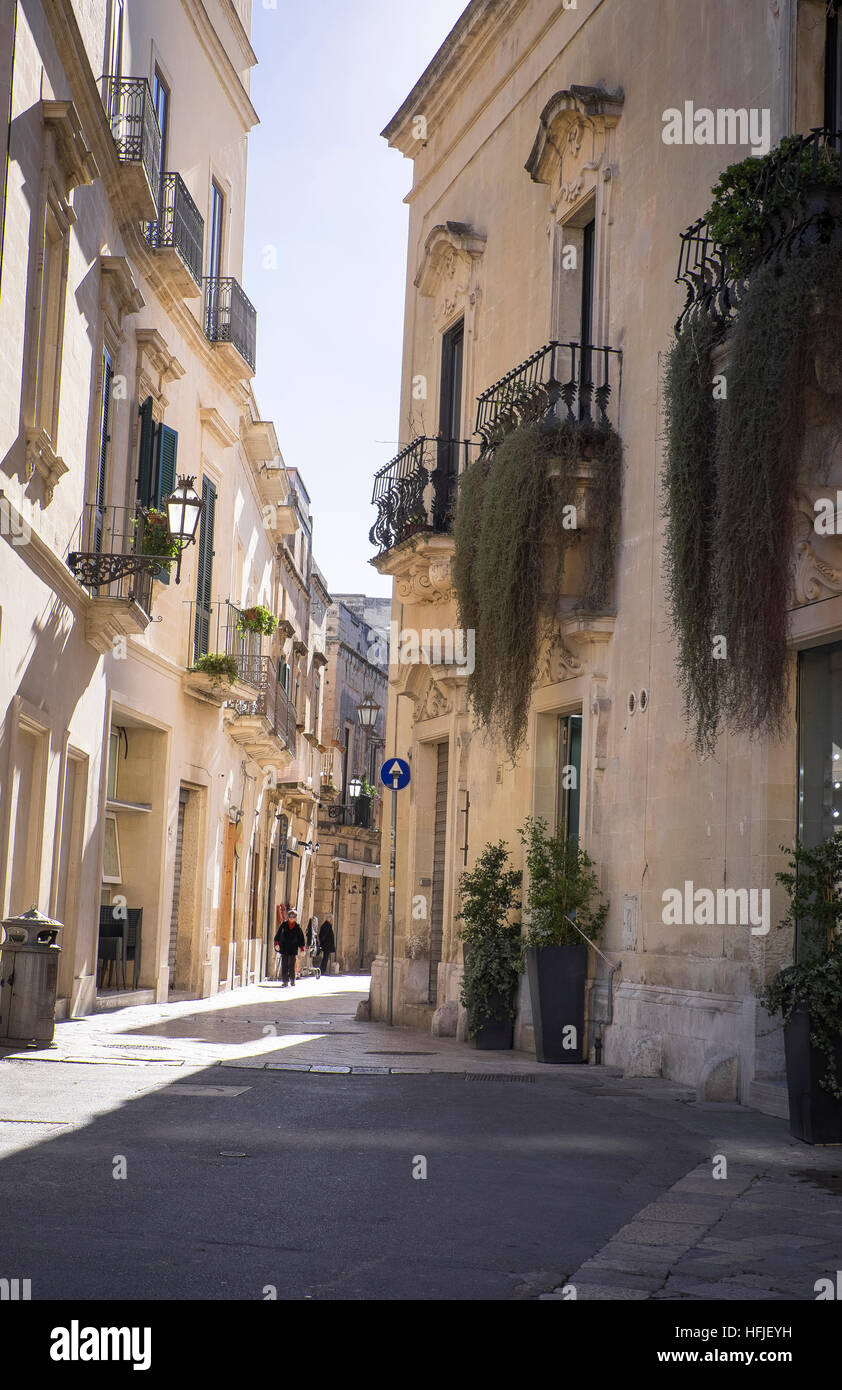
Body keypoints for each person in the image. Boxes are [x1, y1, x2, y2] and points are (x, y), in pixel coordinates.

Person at [274, 908, 305, 987]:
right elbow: (277, 935)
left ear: (295, 918)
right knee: (284, 964)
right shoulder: (284, 925)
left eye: (293, 916)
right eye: (290, 916)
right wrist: (276, 944)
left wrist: (302, 949)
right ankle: (285, 981)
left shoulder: (297, 927)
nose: (292, 918)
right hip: (284, 947)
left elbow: (301, 939)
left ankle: (292, 979)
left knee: (291, 964)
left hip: (293, 948)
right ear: (288, 917)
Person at [319, 913, 336, 978]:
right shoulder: (327, 925)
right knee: (325, 958)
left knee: (325, 957)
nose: (332, 921)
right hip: (326, 945)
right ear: (330, 919)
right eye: (332, 919)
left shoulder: (326, 925)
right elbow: (324, 935)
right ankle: (322, 970)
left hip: (326, 944)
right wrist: (324, 942)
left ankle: (323, 969)